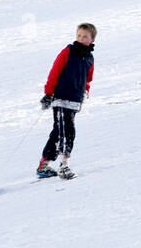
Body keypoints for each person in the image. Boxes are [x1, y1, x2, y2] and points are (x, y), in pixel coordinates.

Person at [36, 23, 96, 180]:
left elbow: (87, 79)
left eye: (85, 36)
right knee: (67, 131)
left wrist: (85, 92)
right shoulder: (68, 51)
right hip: (61, 98)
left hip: (75, 101)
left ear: (92, 39)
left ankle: (44, 165)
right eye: (79, 35)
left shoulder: (89, 58)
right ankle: (64, 165)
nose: (81, 38)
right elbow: (54, 71)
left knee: (58, 132)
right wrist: (48, 93)